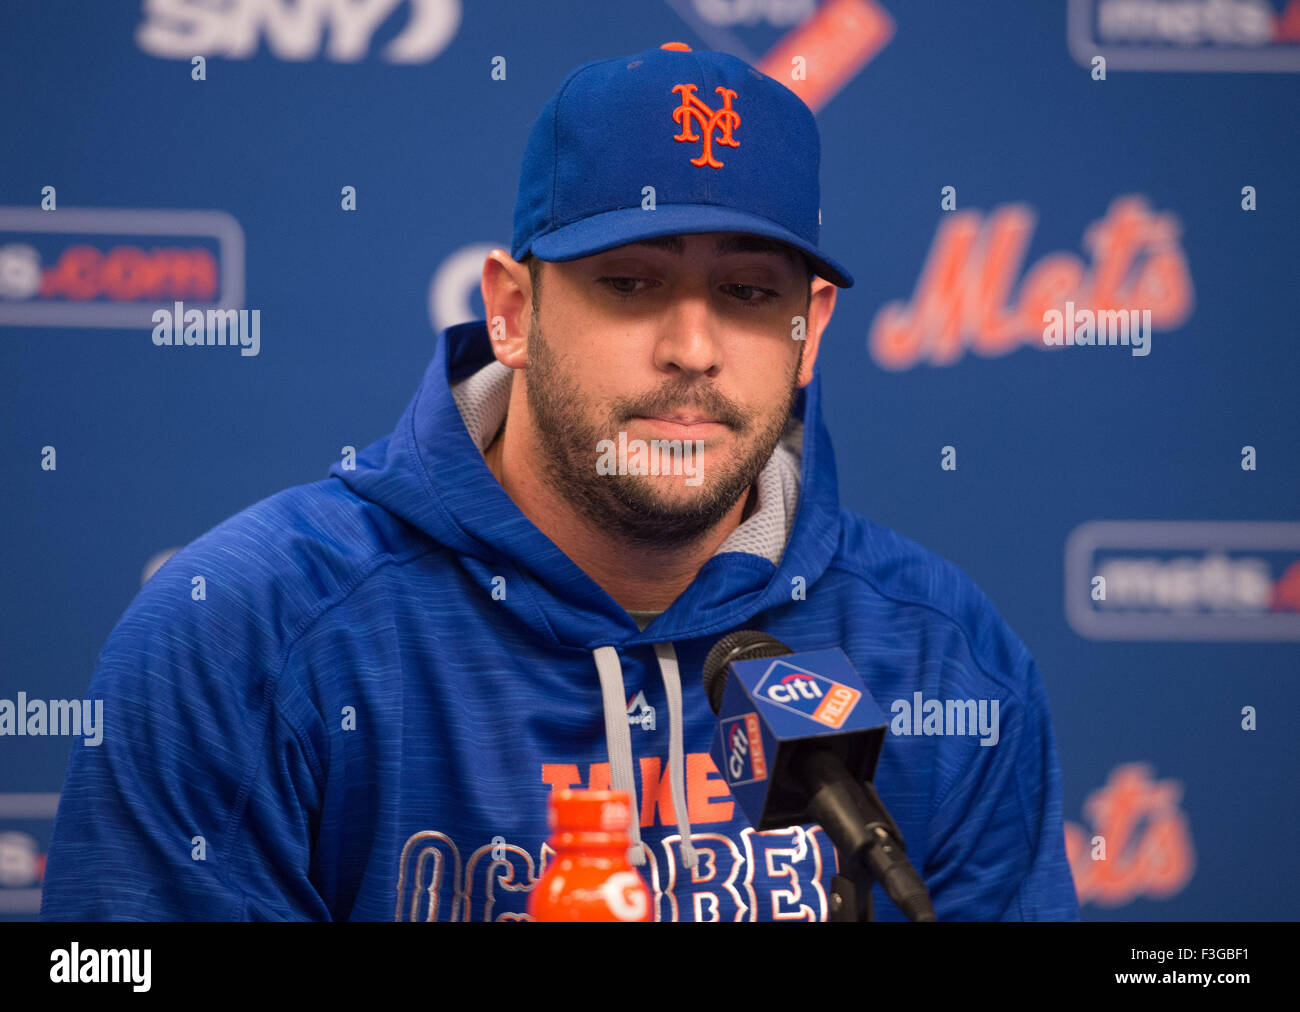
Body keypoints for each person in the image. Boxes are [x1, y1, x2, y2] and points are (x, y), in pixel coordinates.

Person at [40, 42, 1079, 921]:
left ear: (809, 334)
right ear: (511, 311)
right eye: (629, 283)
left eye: (748, 292)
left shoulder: (945, 656)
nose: (691, 347)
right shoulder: (242, 634)